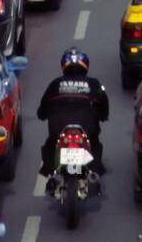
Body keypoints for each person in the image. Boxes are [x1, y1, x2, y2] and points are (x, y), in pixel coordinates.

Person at [37, 49, 109, 186]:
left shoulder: (55, 84)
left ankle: (50, 173)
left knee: (50, 146)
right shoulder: (94, 83)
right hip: (88, 128)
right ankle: (94, 171)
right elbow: (104, 104)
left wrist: (42, 114)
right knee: (95, 144)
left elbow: (42, 110)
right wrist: (103, 116)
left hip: (58, 129)